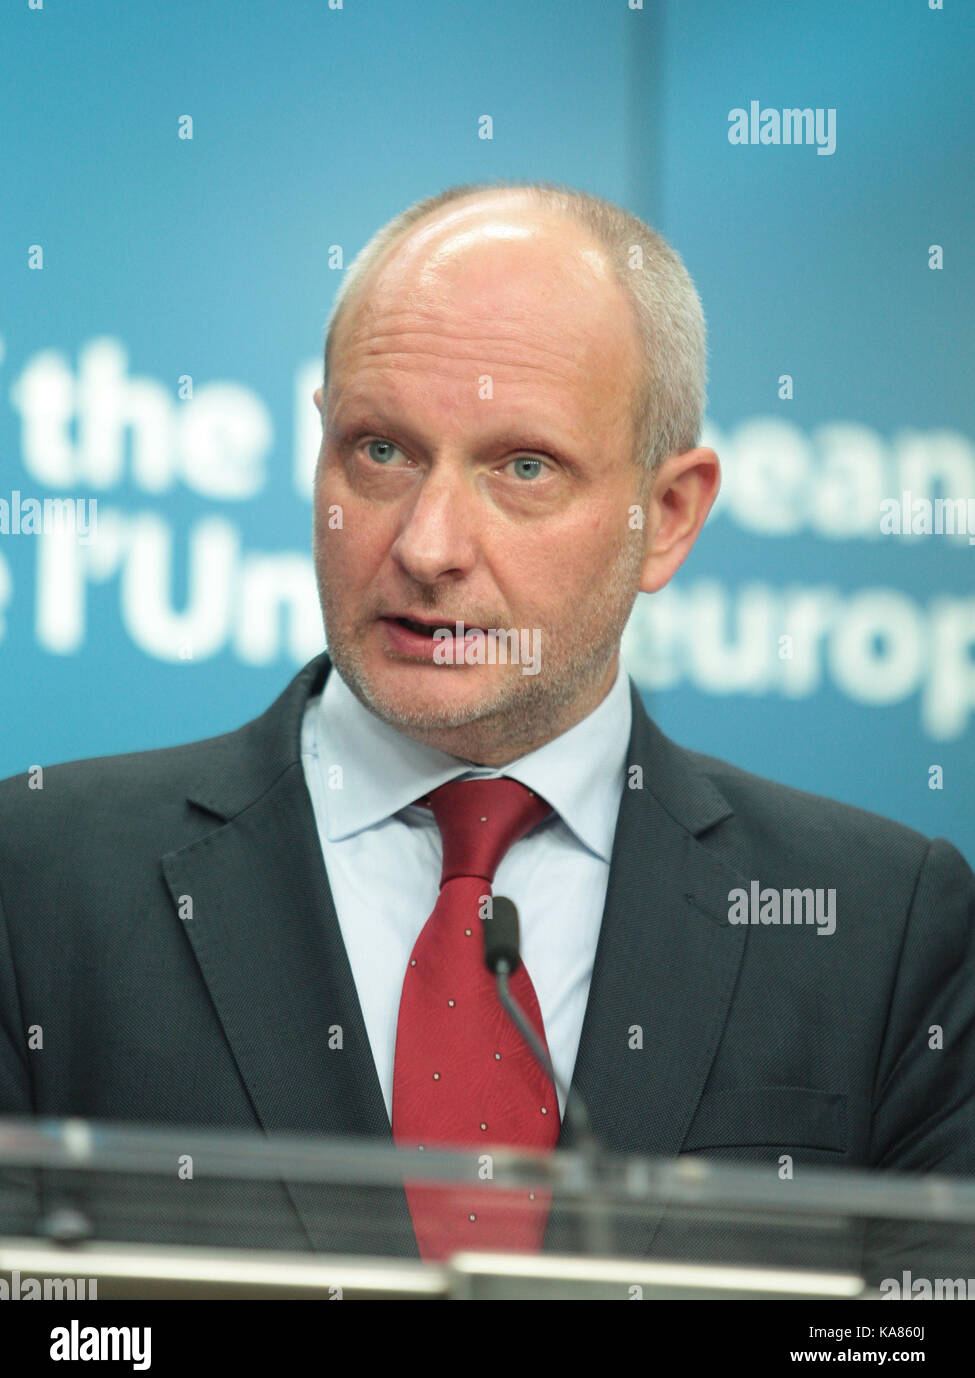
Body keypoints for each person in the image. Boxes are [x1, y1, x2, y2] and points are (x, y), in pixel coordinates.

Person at [1, 182, 973, 1276]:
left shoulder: (886, 929)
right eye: (380, 452)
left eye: (523, 468)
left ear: (668, 518)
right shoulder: (35, 880)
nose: (428, 544)